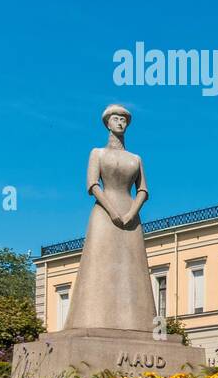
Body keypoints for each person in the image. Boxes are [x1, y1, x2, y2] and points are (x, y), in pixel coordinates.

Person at [64, 104, 157, 332]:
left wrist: (131, 212)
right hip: (104, 213)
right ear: (107, 123)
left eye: (124, 120)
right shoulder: (97, 153)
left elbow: (143, 190)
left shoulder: (136, 158)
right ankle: (90, 320)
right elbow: (93, 185)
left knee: (131, 267)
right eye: (116, 119)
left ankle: (139, 324)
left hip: (130, 215)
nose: (120, 123)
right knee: (98, 263)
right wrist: (113, 211)